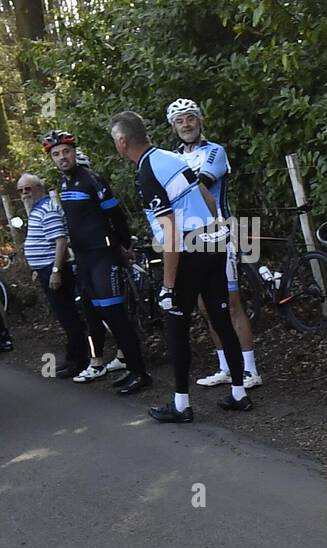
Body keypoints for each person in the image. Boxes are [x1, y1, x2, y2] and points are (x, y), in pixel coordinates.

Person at [109, 110, 249, 422]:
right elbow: (208, 199)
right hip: (214, 241)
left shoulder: (146, 171)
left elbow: (170, 230)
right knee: (221, 316)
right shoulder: (169, 158)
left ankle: (181, 404)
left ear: (122, 142)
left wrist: (168, 286)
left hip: (188, 248)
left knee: (176, 325)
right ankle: (240, 393)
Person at [165, 98, 263, 389]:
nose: (186, 125)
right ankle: (226, 367)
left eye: (190, 118)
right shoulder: (172, 157)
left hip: (219, 235)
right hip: (188, 239)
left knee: (231, 304)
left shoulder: (214, 151)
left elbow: (199, 187)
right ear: (173, 127)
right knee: (206, 307)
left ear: (200, 121)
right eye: (180, 121)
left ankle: (249, 370)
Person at [45, 130, 150, 392]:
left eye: (66, 152)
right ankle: (127, 368)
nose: (62, 157)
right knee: (94, 314)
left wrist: (123, 247)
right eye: (56, 154)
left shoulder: (91, 179)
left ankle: (140, 372)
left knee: (116, 316)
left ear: (74, 152)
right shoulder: (65, 184)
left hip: (103, 256)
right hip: (83, 259)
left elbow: (116, 215)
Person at [15, 173, 92, 378]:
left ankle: (80, 361)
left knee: (69, 317)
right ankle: (72, 358)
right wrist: (36, 269)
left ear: (39, 188)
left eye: (28, 189)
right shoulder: (36, 211)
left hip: (54, 270)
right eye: (21, 190)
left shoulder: (47, 209)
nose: (24, 194)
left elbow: (60, 242)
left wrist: (56, 271)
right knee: (64, 316)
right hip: (45, 269)